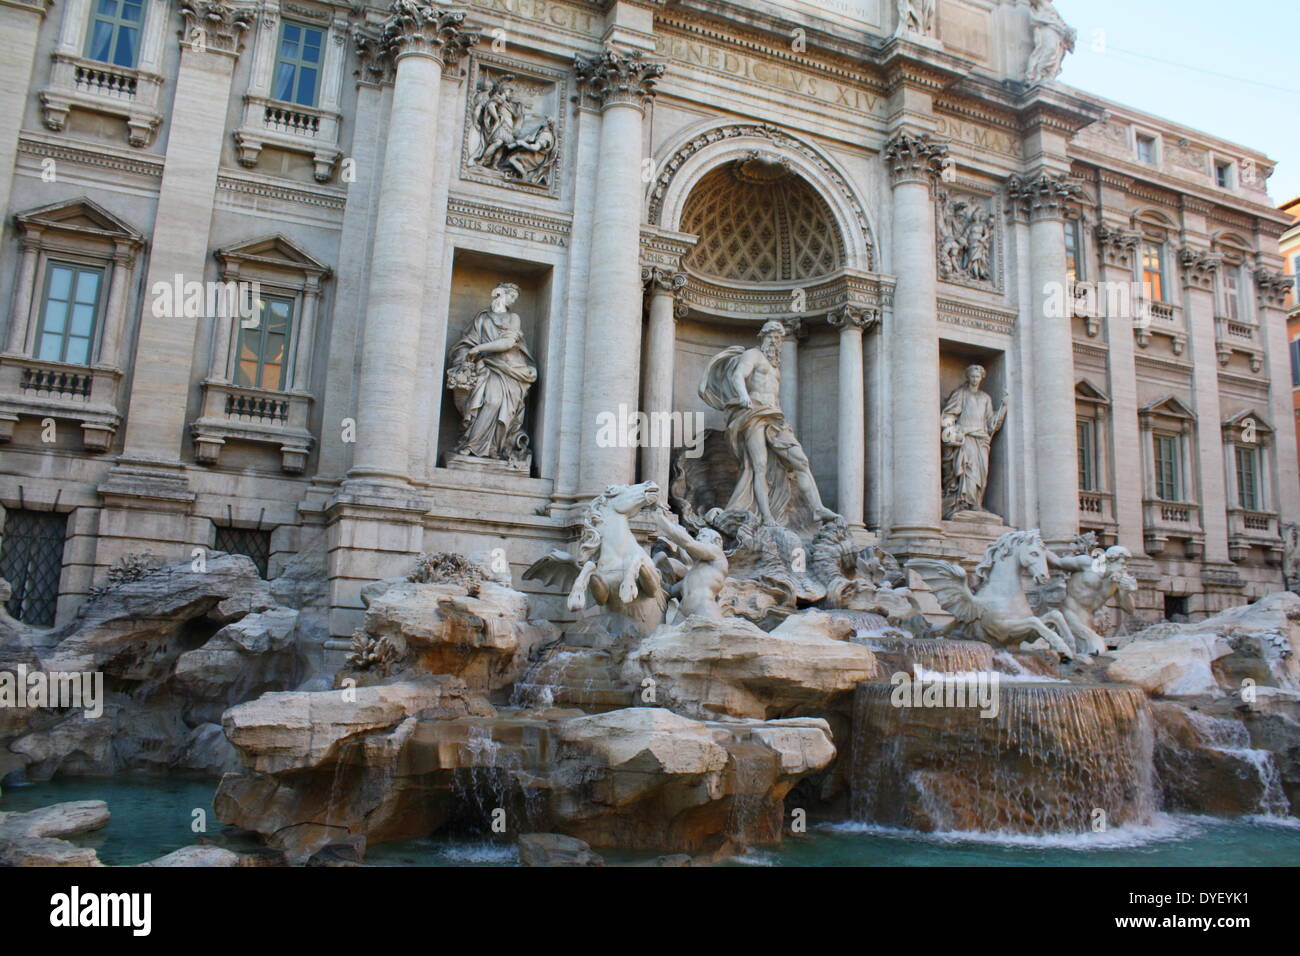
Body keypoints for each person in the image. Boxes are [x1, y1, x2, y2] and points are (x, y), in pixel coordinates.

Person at [699, 320, 836, 528]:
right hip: (753, 413)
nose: (775, 341)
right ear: (763, 337)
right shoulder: (753, 355)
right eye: (772, 336)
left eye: (779, 338)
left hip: (774, 417)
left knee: (801, 461)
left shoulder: (775, 366)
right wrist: (743, 395)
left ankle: (816, 508)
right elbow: (738, 375)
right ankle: (766, 517)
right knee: (758, 466)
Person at [446, 283, 537, 462]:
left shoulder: (513, 318)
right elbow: (468, 342)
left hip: (510, 369)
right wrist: (467, 353)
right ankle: (472, 445)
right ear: (499, 294)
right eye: (510, 296)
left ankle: (492, 448)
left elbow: (507, 343)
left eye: (515, 298)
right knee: (484, 402)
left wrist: (479, 348)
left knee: (495, 403)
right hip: (486, 366)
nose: (512, 301)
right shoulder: (482, 318)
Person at [941, 364, 1007, 517]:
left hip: (981, 439)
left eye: (977, 377)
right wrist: (951, 433)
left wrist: (1003, 407)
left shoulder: (985, 398)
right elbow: (949, 414)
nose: (975, 379)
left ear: (982, 378)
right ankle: (966, 503)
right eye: (972, 376)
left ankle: (977, 502)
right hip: (966, 437)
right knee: (968, 471)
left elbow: (991, 422)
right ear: (968, 377)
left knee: (981, 473)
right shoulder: (961, 394)